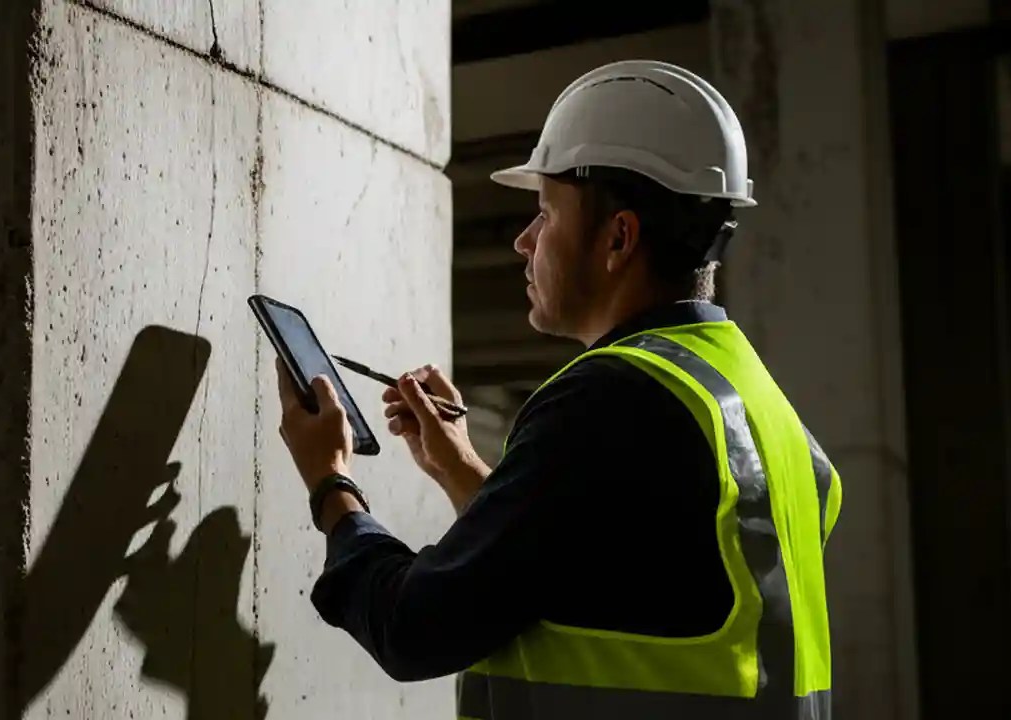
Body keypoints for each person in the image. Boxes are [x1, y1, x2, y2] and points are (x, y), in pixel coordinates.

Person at [275, 60, 843, 719]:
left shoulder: (610, 398)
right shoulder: (757, 407)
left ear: (619, 237)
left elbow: (413, 627)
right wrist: (461, 467)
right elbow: (607, 577)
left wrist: (329, 481)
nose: (524, 240)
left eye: (545, 212)